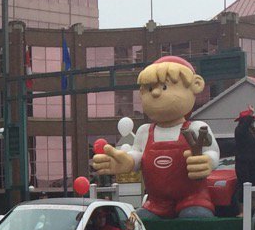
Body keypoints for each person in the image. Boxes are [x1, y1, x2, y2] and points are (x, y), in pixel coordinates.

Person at [93, 55, 218, 219]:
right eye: (150, 89)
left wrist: (207, 161)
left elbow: (213, 152)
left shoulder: (197, 128)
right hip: (156, 203)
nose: (156, 93)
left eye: (165, 87)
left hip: (193, 199)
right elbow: (137, 154)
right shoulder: (144, 131)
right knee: (141, 222)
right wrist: (127, 161)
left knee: (195, 218)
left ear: (195, 85)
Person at [234, 107, 255, 214]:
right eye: (251, 119)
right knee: (244, 185)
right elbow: (244, 126)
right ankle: (242, 211)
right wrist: (250, 114)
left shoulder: (254, 131)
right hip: (243, 163)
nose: (253, 121)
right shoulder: (240, 130)